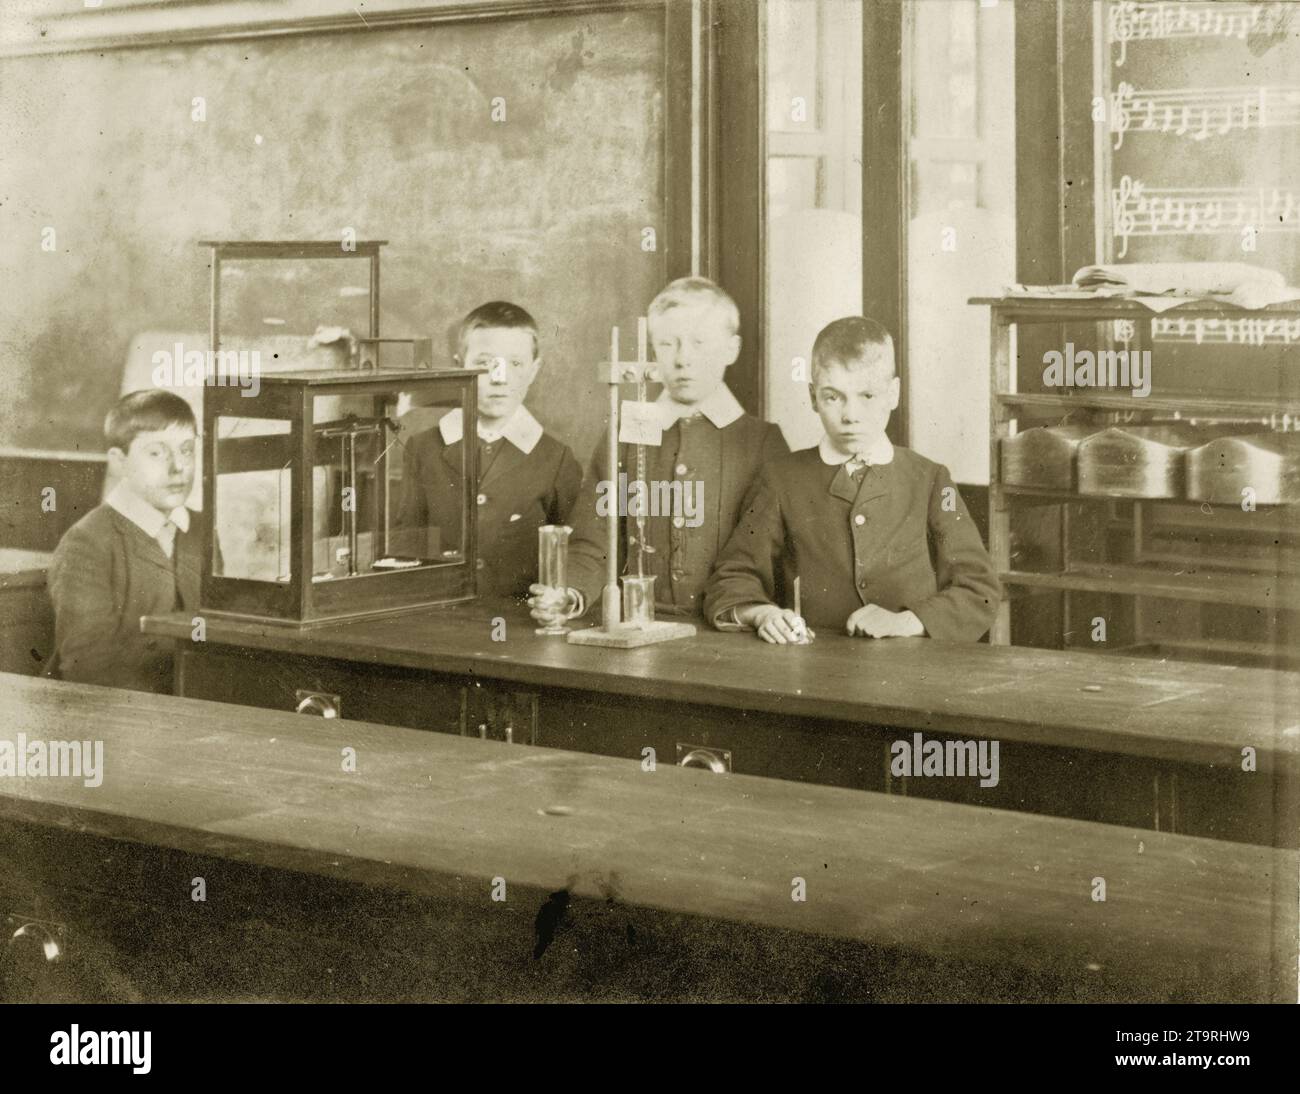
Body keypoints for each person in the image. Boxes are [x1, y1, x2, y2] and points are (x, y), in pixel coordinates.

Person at [704, 316, 999, 644]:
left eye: (867, 396)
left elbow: (979, 590)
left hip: (914, 673)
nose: (850, 415)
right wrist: (763, 614)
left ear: (893, 394)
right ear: (813, 397)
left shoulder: (932, 480)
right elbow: (733, 576)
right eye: (833, 397)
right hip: (811, 667)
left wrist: (907, 622)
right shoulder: (780, 479)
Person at [529, 277, 787, 627]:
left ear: (732, 348)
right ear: (653, 351)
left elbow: (760, 557)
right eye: (668, 344)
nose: (683, 359)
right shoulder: (626, 432)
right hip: (635, 625)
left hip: (730, 628)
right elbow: (595, 541)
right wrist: (569, 593)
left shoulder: (762, 443)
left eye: (699, 342)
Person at [397, 301, 582, 597]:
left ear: (534, 371)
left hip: (521, 624)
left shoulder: (556, 458)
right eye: (484, 365)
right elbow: (405, 547)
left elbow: (576, 553)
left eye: (516, 364)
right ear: (459, 367)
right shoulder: (424, 449)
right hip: (439, 619)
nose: (500, 378)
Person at [47, 389, 201, 691]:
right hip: (114, 713)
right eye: (156, 453)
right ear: (119, 462)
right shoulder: (86, 543)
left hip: (192, 705)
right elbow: (87, 666)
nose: (178, 467)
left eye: (186, 450)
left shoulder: (201, 529)